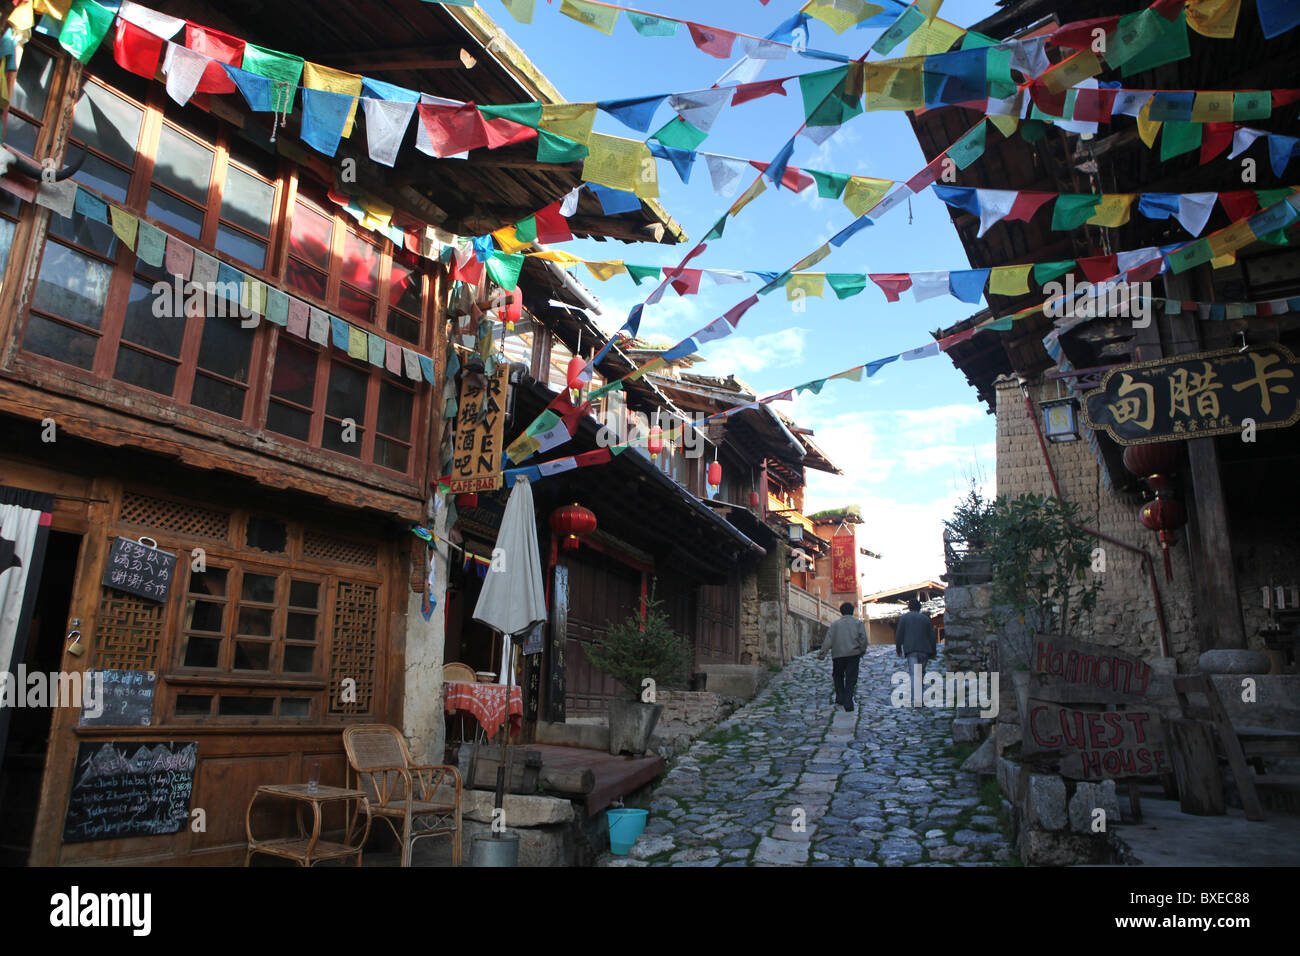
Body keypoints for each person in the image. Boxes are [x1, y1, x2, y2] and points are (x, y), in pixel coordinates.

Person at [818, 602, 868, 712]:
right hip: (853, 654)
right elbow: (863, 638)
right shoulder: (858, 623)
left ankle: (840, 697)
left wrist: (823, 652)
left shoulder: (835, 624)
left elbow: (829, 639)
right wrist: (862, 650)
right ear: (852, 611)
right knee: (851, 678)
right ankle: (848, 701)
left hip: (838, 655)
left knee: (838, 676)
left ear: (841, 612)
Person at [895, 598, 937, 705]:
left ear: (909, 607)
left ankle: (917, 699)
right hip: (924, 651)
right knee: (920, 674)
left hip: (911, 650)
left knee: (914, 674)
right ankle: (920, 697)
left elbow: (899, 634)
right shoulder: (925, 619)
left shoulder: (904, 618)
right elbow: (932, 636)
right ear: (919, 608)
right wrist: (933, 652)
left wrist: (898, 648)